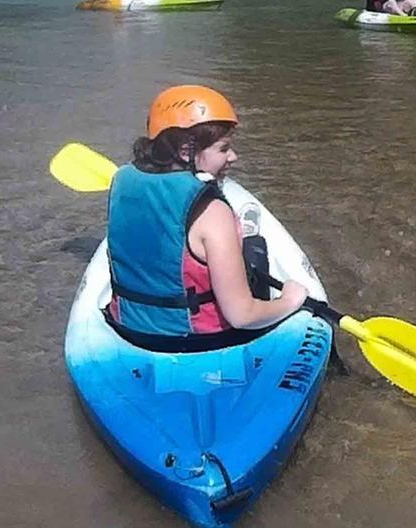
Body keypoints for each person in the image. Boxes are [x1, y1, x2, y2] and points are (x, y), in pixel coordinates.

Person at [103, 84, 308, 347]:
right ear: (186, 152)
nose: (234, 157)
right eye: (224, 149)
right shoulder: (213, 212)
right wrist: (289, 301)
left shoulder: (122, 181)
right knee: (254, 248)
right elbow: (242, 316)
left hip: (129, 330)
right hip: (200, 340)